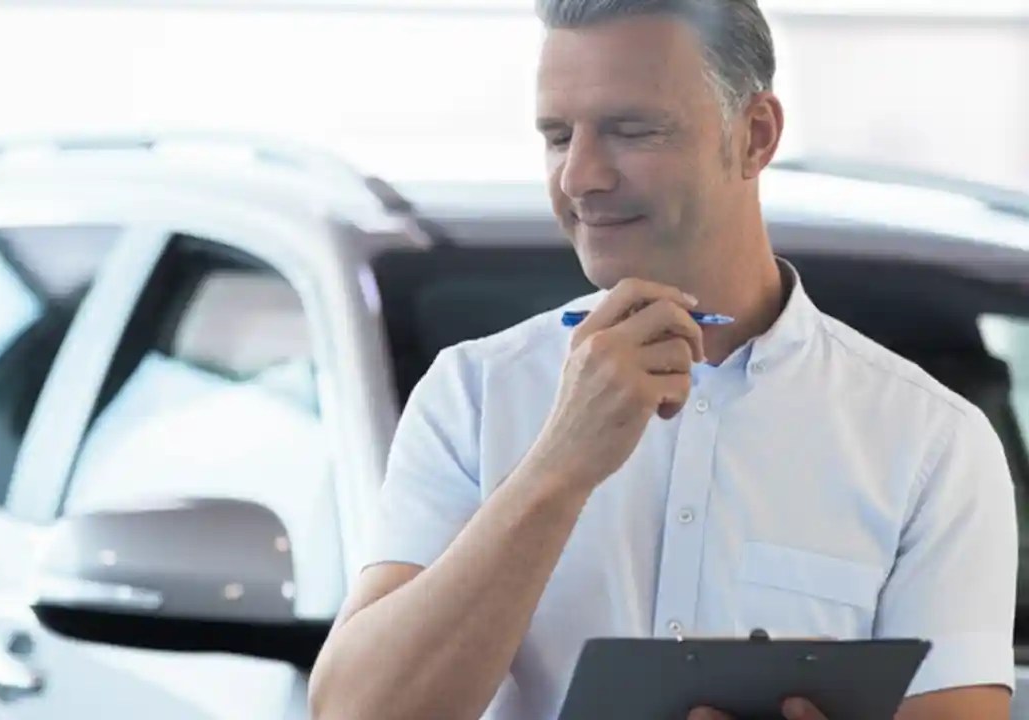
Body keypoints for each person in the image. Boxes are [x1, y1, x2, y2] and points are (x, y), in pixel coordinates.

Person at [308, 1, 1018, 718]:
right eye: (558, 136)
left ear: (756, 136)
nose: (580, 176)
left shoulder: (931, 444)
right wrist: (559, 466)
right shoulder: (471, 398)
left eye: (631, 130)